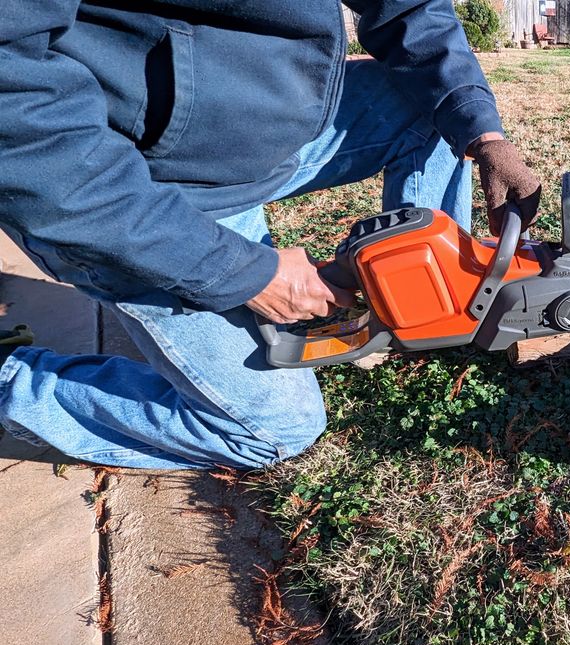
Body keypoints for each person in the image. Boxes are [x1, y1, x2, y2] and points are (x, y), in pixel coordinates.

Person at [0, 1, 542, 469]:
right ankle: (10, 383)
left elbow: (410, 10)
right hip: (137, 190)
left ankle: (427, 306)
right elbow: (21, 125)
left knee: (434, 111)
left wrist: (482, 133)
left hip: (262, 136)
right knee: (272, 431)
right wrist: (243, 274)